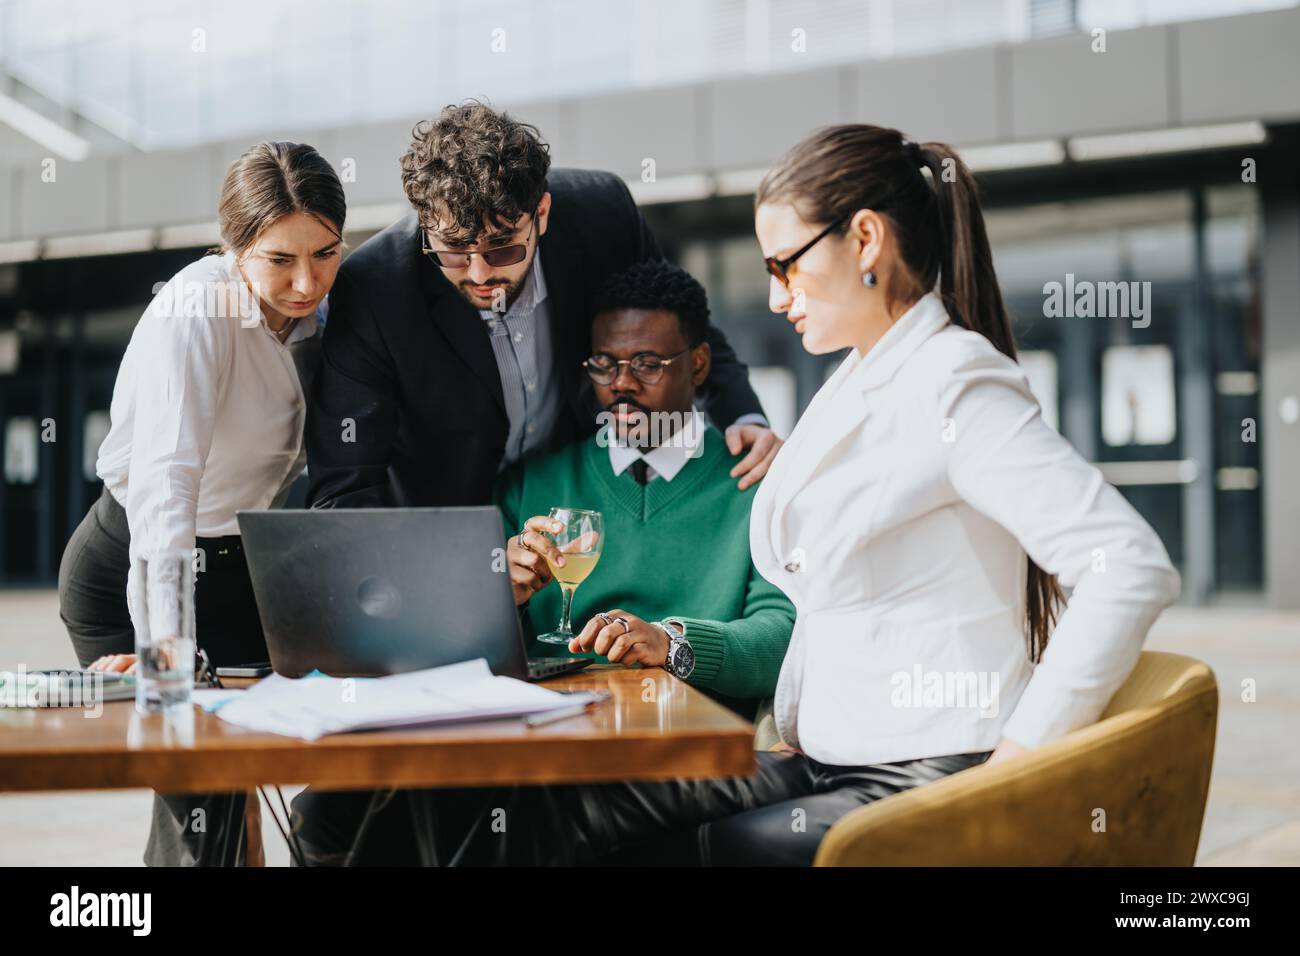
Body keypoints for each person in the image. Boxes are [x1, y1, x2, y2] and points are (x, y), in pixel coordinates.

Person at [295, 124, 1181, 867]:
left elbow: (1127, 567)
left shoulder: (953, 385)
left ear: (865, 241)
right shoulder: (862, 378)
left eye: (788, 265)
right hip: (829, 755)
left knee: (634, 842)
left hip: (917, 776)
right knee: (524, 814)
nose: (772, 295)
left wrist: (1020, 761)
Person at [288, 260, 795, 864]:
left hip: (674, 746)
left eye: (647, 365)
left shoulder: (756, 484)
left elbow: (781, 636)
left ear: (700, 365)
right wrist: (500, 589)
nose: (621, 385)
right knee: (328, 809)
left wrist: (673, 641)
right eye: (604, 365)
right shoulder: (534, 481)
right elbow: (458, 644)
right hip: (542, 736)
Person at [56, 141, 346, 865]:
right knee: (201, 797)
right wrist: (166, 661)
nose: (307, 281)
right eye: (280, 260)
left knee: (257, 765)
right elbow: (165, 496)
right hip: (134, 561)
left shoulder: (328, 313)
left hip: (238, 561)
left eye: (325, 253)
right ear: (232, 245)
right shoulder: (197, 308)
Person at [305, 99, 782, 511]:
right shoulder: (373, 289)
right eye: (452, 250)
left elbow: (682, 323)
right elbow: (346, 486)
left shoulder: (602, 215)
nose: (479, 273)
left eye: (502, 248)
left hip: (579, 508)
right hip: (449, 529)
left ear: (543, 214)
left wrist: (746, 419)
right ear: (426, 226)